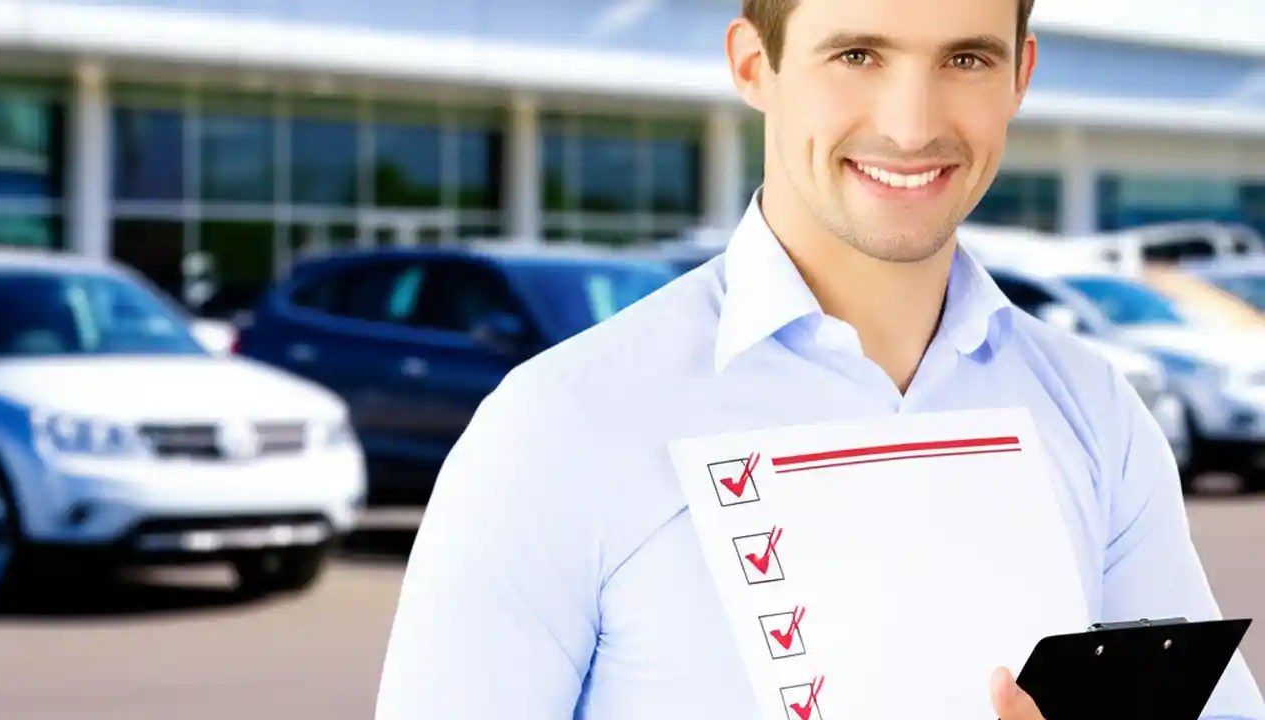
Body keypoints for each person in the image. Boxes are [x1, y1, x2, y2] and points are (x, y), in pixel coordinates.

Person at [373, 0, 1265, 717]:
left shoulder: (1094, 408)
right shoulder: (559, 425)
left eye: (965, 59)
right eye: (857, 55)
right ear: (755, 66)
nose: (912, 127)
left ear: (1020, 74)